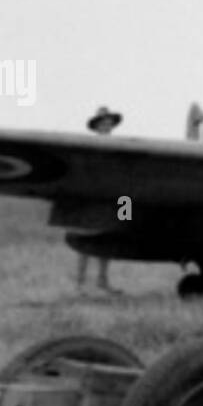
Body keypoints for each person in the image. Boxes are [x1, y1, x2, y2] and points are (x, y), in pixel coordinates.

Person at [78, 107, 122, 292]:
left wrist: (125, 209)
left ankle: (102, 280)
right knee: (85, 241)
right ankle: (80, 284)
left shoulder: (119, 147)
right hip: (92, 198)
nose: (107, 125)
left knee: (109, 241)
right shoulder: (89, 147)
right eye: (103, 122)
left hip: (113, 198)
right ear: (96, 126)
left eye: (109, 122)